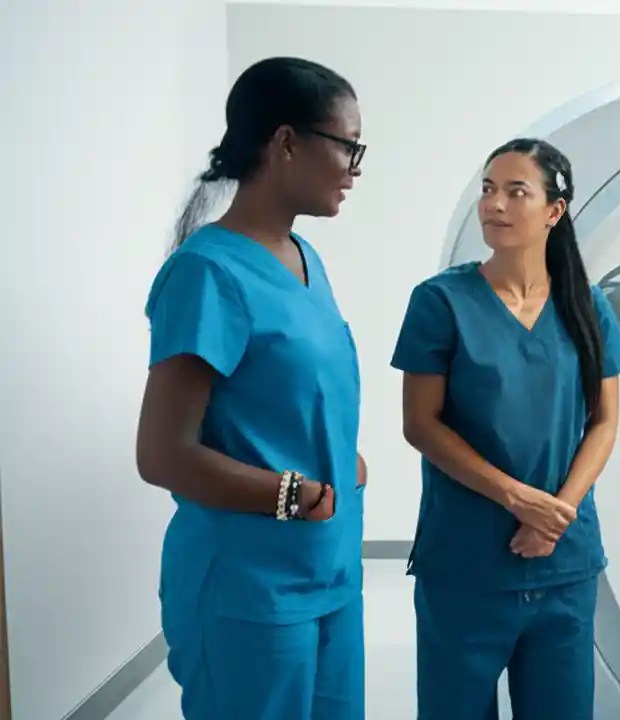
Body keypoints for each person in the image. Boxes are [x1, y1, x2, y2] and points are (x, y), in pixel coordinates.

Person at [135, 57, 369, 720]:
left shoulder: (304, 260)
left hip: (329, 572)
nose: (357, 166)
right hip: (249, 588)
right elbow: (163, 454)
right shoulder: (207, 273)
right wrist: (295, 494)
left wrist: (340, 463)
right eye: (348, 145)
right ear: (286, 143)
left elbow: (293, 394)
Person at [391, 137, 620, 719]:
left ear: (554, 210)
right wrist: (519, 499)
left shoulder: (587, 305)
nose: (493, 205)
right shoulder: (441, 301)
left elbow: (604, 423)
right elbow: (419, 425)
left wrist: (556, 514)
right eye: (488, 189)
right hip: (467, 562)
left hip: (563, 566)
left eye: (515, 191)